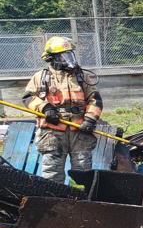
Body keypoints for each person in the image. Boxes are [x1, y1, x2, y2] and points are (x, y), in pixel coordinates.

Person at [22, 36, 102, 183]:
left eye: (70, 55)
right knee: (52, 172)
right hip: (52, 132)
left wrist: (90, 120)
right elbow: (28, 98)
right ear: (52, 58)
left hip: (80, 131)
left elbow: (95, 100)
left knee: (84, 170)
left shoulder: (81, 76)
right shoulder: (40, 77)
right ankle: (55, 201)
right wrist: (45, 108)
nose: (68, 59)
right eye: (63, 56)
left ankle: (85, 201)